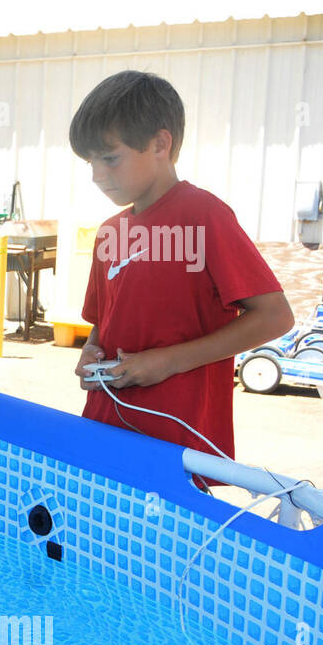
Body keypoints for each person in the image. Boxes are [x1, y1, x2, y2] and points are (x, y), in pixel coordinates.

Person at [69, 70, 294, 458]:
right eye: (90, 161)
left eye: (109, 158)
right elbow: (100, 327)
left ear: (160, 143)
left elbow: (275, 316)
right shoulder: (110, 232)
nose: (96, 175)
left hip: (179, 442)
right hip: (105, 428)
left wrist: (168, 362)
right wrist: (91, 352)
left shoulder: (205, 215)